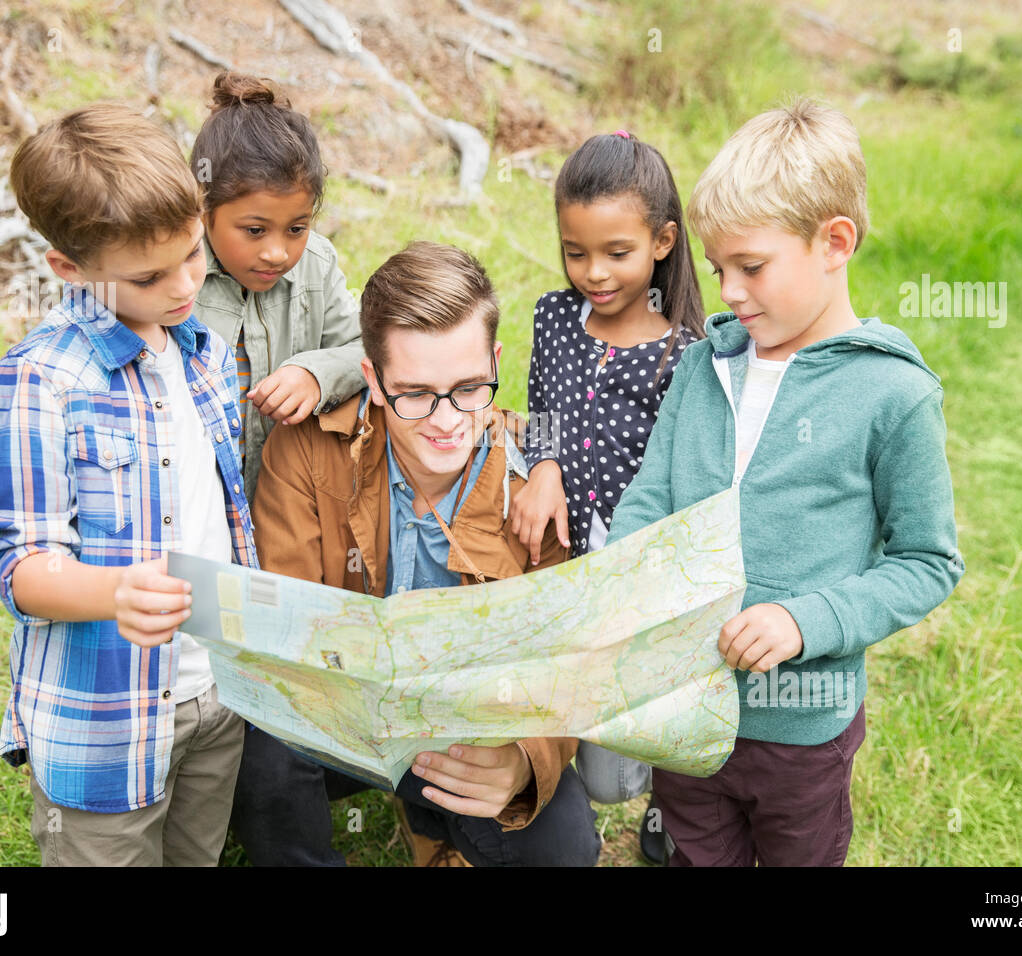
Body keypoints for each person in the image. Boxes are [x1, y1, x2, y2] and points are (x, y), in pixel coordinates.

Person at [607, 99, 965, 866]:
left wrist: (806, 622)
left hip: (801, 727)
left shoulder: (893, 396)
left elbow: (927, 562)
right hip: (687, 703)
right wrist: (619, 576)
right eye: (718, 269)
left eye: (753, 267)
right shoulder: (704, 365)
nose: (729, 290)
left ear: (834, 241)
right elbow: (652, 492)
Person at [231, 241, 602, 867]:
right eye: (414, 393)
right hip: (342, 717)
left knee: (562, 851)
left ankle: (431, 811)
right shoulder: (306, 453)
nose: (446, 420)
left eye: (468, 388)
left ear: (495, 363)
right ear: (372, 380)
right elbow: (281, 640)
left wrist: (521, 761)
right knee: (259, 755)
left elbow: (564, 663)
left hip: (466, 725)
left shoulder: (537, 482)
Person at [0, 104, 255, 865]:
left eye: (194, 255)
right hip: (105, 721)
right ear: (70, 270)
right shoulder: (39, 382)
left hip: (214, 699)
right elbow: (19, 567)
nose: (185, 285)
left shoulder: (203, 353)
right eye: (149, 276)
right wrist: (114, 593)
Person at [510, 130, 706, 863]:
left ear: (662, 241)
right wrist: (546, 463)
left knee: (629, 755)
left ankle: (674, 813)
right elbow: (543, 404)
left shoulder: (686, 351)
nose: (592, 272)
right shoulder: (555, 318)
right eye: (575, 251)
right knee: (591, 754)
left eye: (615, 253)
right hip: (567, 554)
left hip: (639, 564)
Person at [190, 70, 365, 504]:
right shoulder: (176, 276)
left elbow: (371, 346)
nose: (277, 252)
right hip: (196, 499)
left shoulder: (316, 264)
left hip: (283, 501)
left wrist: (315, 373)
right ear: (203, 207)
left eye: (296, 228)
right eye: (254, 230)